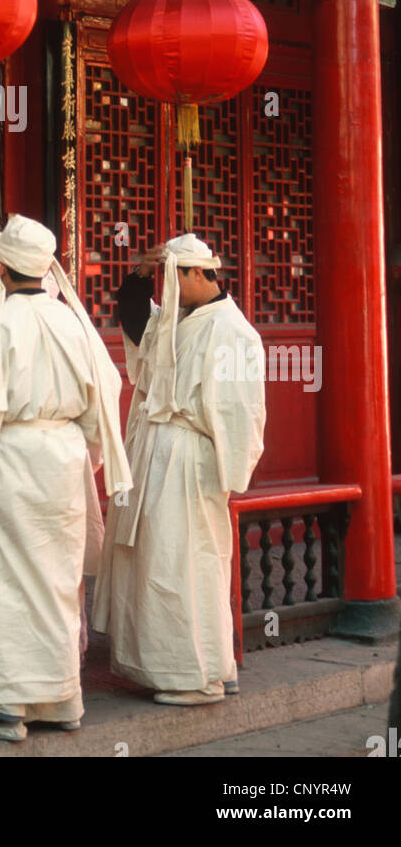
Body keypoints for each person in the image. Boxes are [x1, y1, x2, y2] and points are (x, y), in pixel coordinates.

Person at [0, 213, 132, 741]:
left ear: (1, 267)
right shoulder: (74, 325)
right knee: (56, 583)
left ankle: (5, 708)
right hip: (60, 463)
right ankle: (60, 701)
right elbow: (102, 397)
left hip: (2, 464)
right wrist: (86, 452)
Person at [92, 232, 266, 706]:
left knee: (188, 564)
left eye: (171, 275)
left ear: (195, 273)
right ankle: (202, 667)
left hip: (191, 460)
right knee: (159, 563)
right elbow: (133, 319)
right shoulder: (176, 319)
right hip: (158, 453)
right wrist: (141, 269)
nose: (163, 287)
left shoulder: (232, 331)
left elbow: (240, 411)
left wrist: (230, 474)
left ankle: (198, 676)